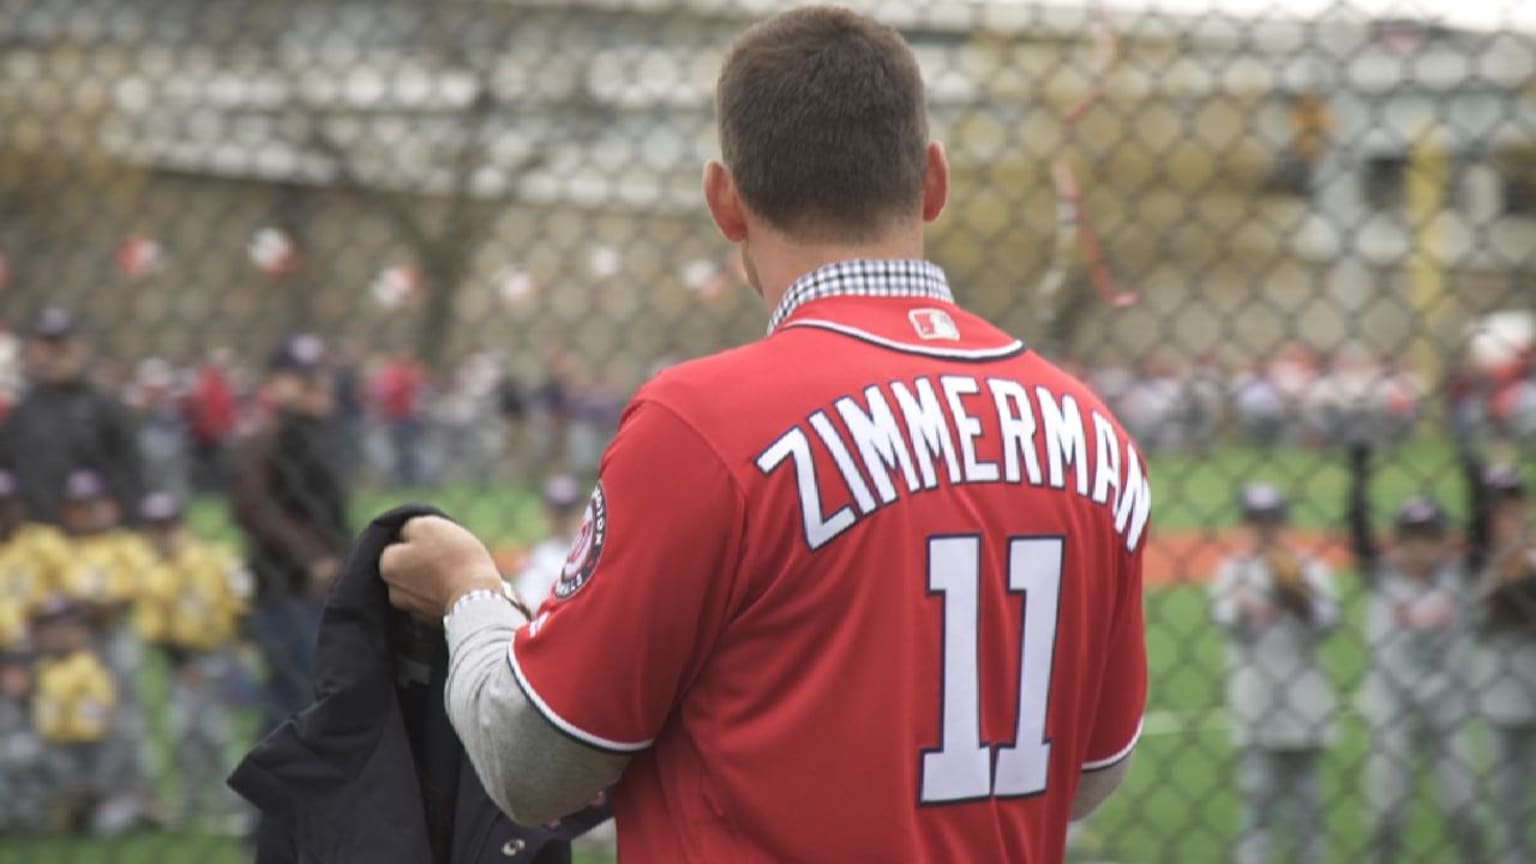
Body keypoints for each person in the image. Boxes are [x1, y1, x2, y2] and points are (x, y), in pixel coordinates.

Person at [379, 8, 1150, 861]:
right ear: (934, 181)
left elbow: (534, 763)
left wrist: (468, 591)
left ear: (724, 201)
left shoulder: (702, 423)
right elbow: (1088, 771)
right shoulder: (1091, 429)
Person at [1348, 444, 1484, 863]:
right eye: (1411, 538)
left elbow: (1482, 538)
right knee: (1386, 815)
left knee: (1467, 813)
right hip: (1393, 710)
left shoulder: (1458, 577)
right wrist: (1360, 474)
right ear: (1399, 542)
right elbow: (1359, 535)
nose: (1421, 548)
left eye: (1430, 538)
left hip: (1447, 710)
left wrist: (1473, 476)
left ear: (1445, 543)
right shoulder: (1382, 575)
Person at [1209, 485, 1339, 864]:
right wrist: (1243, 605)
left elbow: (1328, 624)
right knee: (1256, 814)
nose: (1265, 532)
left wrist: (1298, 596)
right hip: (1255, 709)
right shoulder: (1232, 571)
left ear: (1285, 525)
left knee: (1307, 816)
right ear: (1244, 527)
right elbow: (1225, 622)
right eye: (1256, 523)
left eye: (1272, 523)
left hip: (1305, 707)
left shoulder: (1309, 567)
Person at [231, 334, 349, 729]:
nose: (315, 387)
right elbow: (254, 508)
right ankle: (271, 786)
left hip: (322, 588)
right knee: (293, 697)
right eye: (303, 378)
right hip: (285, 587)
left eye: (317, 377)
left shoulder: (318, 432)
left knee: (313, 694)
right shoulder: (264, 433)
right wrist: (312, 555)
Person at [135, 492, 253, 833]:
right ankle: (192, 808)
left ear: (184, 527)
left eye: (170, 526)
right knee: (186, 734)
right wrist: (182, 666)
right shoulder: (154, 574)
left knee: (222, 734)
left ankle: (233, 808)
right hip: (184, 663)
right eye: (156, 528)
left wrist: (244, 645)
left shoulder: (216, 559)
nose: (165, 535)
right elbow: (155, 631)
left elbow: (240, 602)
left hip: (223, 652)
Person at [54, 469, 158, 829]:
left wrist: (98, 604)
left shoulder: (126, 544)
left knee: (128, 721)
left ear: (111, 507)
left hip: (117, 638)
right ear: (69, 513)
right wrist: (97, 604)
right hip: (76, 646)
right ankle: (89, 799)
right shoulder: (64, 549)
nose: (89, 513)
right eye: (80, 507)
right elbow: (63, 598)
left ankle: (136, 797)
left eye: (95, 505)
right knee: (83, 721)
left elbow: (135, 590)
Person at [0, 309, 144, 526]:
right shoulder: (24, 409)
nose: (55, 356)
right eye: (48, 347)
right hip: (40, 531)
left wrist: (125, 513)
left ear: (80, 349)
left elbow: (132, 470)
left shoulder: (104, 406)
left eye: (62, 347)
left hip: (97, 531)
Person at [1465, 449, 1536, 864]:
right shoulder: (1477, 566)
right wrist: (1499, 585)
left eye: (1513, 505)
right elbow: (1472, 624)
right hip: (1498, 700)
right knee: (1509, 804)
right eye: (1497, 509)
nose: (1505, 517)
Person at [28, 597, 123, 833]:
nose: (57, 636)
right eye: (50, 630)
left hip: (86, 746)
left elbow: (100, 710)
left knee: (91, 793)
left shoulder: (88, 665)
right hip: (52, 743)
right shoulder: (42, 667)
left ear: (82, 633)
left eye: (66, 629)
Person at [510, 475, 587, 610]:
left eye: (568, 511)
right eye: (558, 512)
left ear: (581, 511)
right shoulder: (538, 557)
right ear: (546, 513)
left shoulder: (591, 549)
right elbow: (529, 605)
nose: (563, 518)